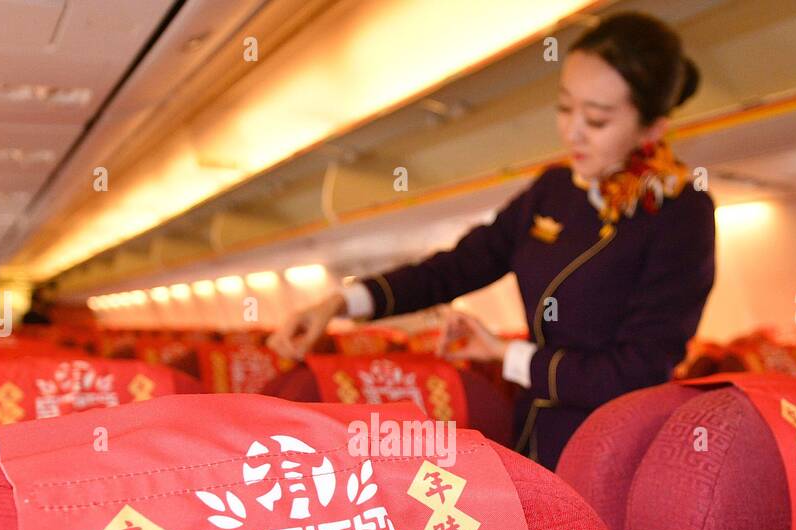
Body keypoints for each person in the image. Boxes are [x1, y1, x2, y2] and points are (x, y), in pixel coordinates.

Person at [268, 11, 716, 469]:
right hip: (532, 436)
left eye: (597, 120)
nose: (571, 131)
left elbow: (636, 372)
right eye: (565, 107)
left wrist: (507, 355)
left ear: (653, 128)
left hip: (612, 454)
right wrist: (341, 304)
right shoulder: (552, 190)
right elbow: (455, 268)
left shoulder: (681, 214)